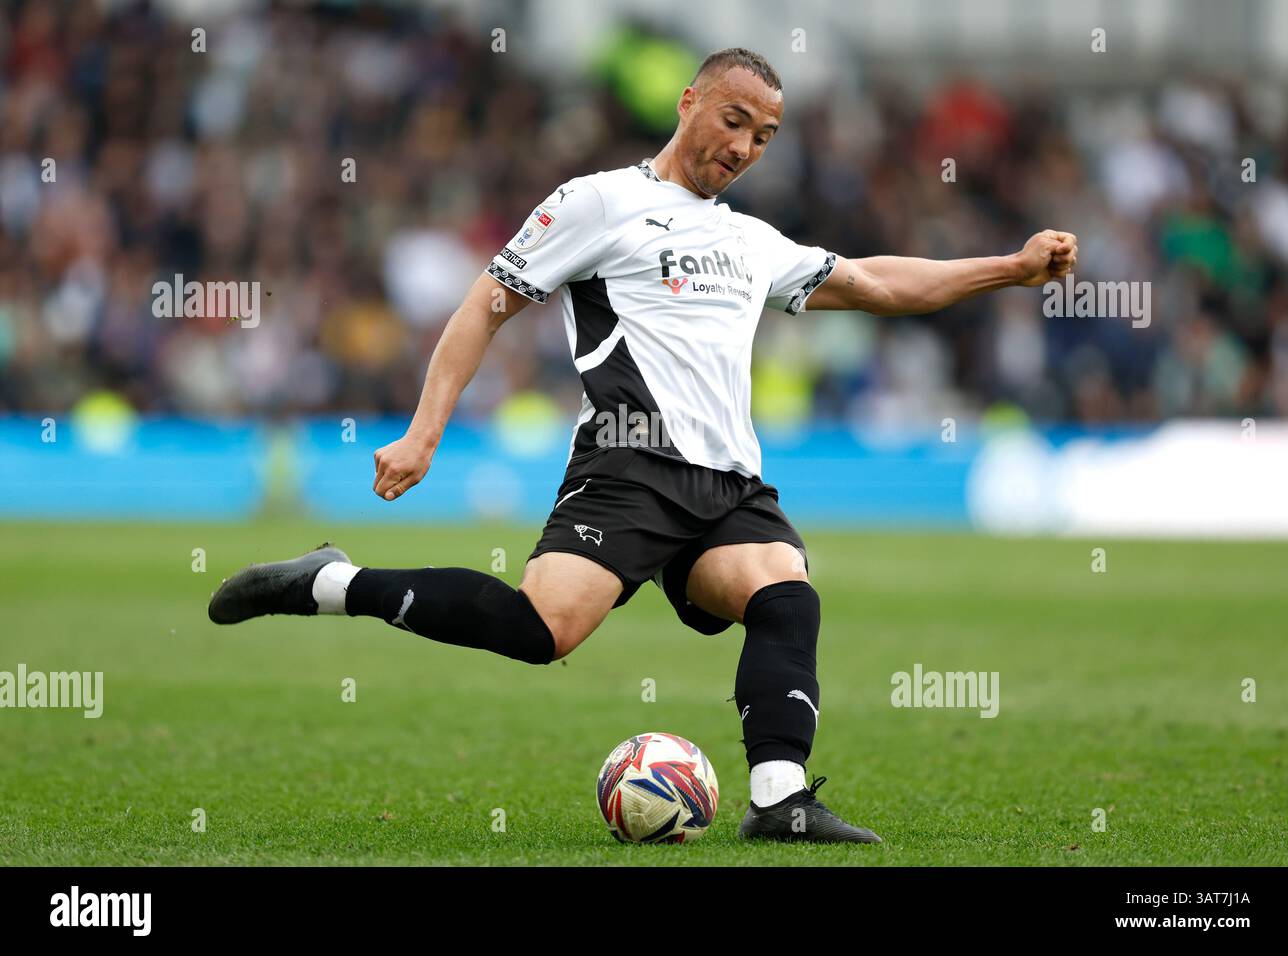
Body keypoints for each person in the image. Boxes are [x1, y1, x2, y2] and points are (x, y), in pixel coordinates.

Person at [209, 47, 1078, 843]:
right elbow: (486, 302)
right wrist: (423, 432)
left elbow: (878, 281)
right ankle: (332, 582)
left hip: (729, 483)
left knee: (784, 592)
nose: (744, 147)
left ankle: (780, 800)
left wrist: (1009, 268)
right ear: (689, 100)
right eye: (733, 121)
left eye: (765, 137)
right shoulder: (599, 203)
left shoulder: (749, 238)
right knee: (540, 630)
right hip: (628, 465)